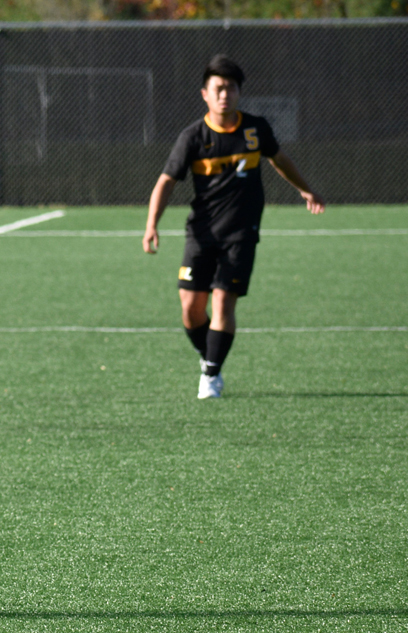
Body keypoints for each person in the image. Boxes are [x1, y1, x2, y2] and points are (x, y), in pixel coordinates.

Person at [143, 55, 324, 399]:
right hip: (201, 232)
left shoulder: (255, 129)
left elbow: (279, 158)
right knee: (190, 307)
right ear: (205, 94)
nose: (225, 94)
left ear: (240, 92)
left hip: (241, 232)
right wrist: (152, 224)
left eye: (231, 88)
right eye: (218, 88)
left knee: (224, 302)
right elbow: (166, 181)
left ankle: (211, 375)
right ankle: (209, 355)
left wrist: (305, 188)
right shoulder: (192, 138)